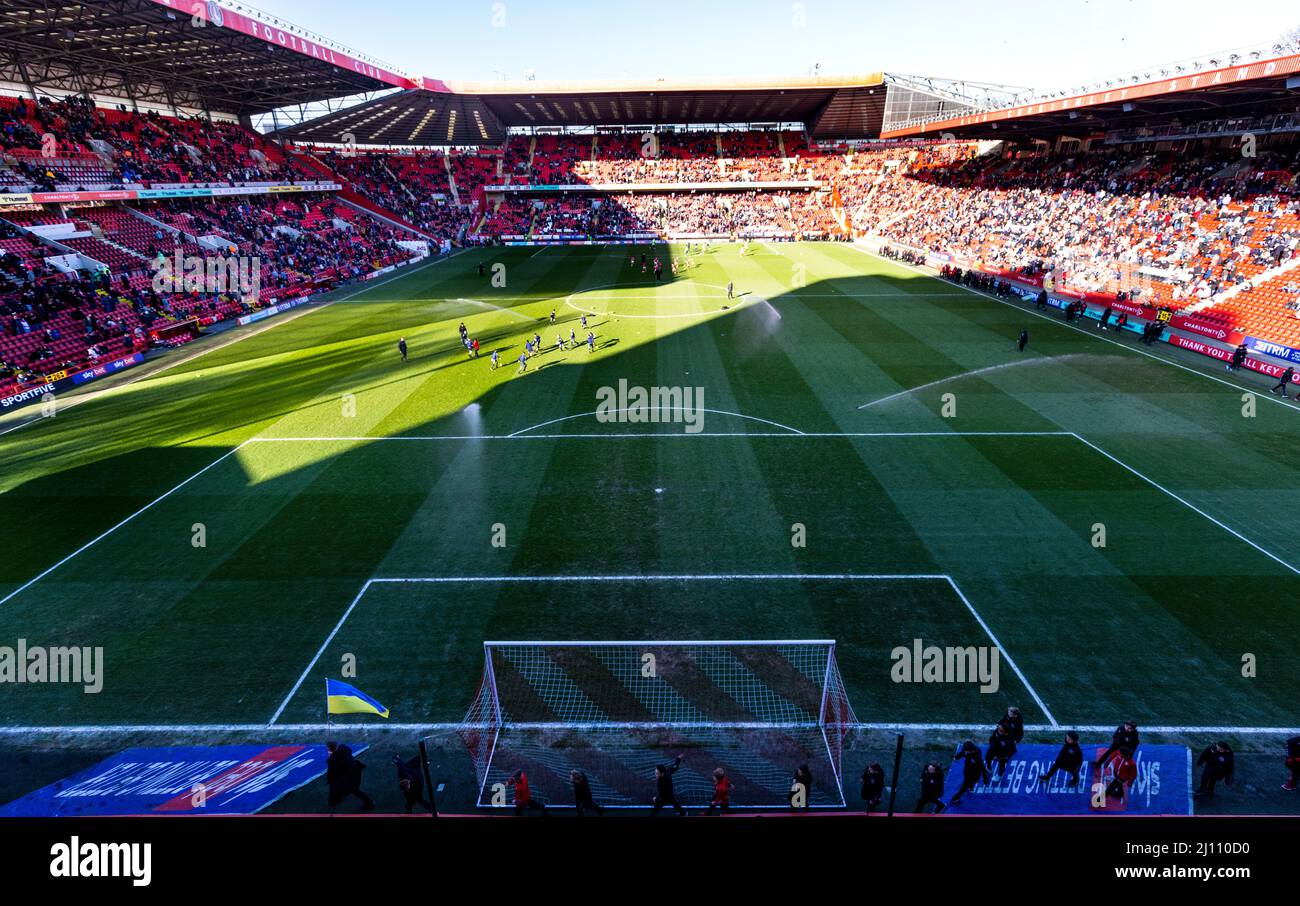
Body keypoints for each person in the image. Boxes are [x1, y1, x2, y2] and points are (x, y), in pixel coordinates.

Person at [325, 740, 373, 812]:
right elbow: (349, 750)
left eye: (328, 748)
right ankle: (337, 798)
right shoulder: (344, 748)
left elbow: (333, 768)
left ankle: (369, 802)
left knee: (353, 789)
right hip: (355, 770)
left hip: (349, 775)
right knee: (348, 788)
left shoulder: (334, 758)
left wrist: (330, 757)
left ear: (331, 749)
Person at [950, 741, 990, 805]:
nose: (965, 752)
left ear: (971, 751)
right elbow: (962, 753)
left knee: (967, 785)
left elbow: (983, 768)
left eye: (966, 751)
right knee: (966, 785)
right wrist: (956, 757)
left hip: (975, 773)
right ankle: (967, 790)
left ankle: (956, 797)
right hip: (967, 770)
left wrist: (985, 779)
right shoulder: (967, 751)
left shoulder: (977, 758)